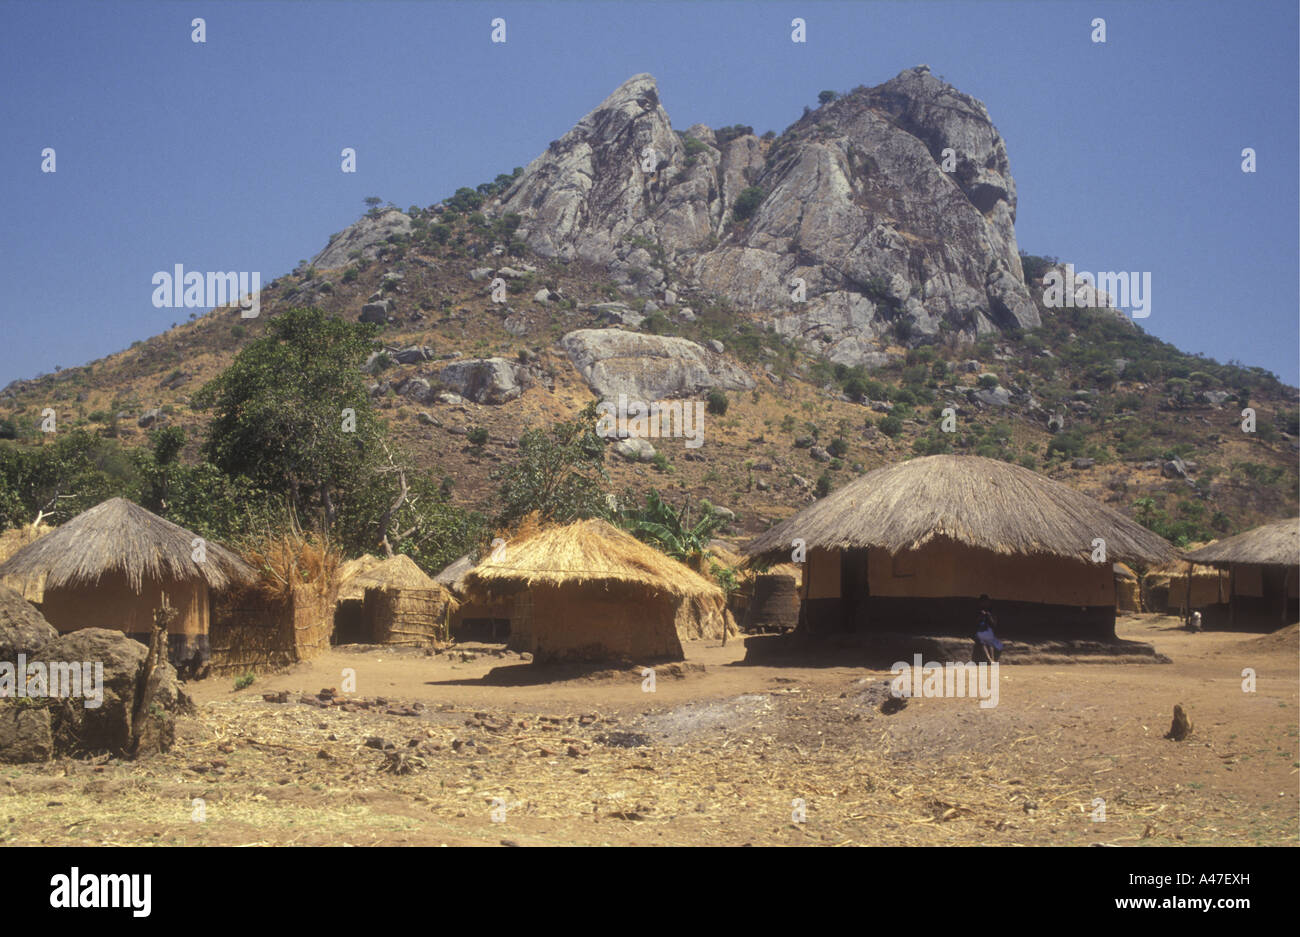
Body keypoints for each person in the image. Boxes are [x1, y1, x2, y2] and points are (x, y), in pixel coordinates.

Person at [973, 594, 1004, 663]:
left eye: (986, 602)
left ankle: (992, 659)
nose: (984, 603)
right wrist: (981, 616)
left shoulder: (991, 611)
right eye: (983, 602)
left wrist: (989, 616)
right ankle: (989, 658)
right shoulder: (977, 610)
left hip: (988, 631)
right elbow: (974, 623)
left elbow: (994, 624)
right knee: (982, 641)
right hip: (979, 631)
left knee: (990, 642)